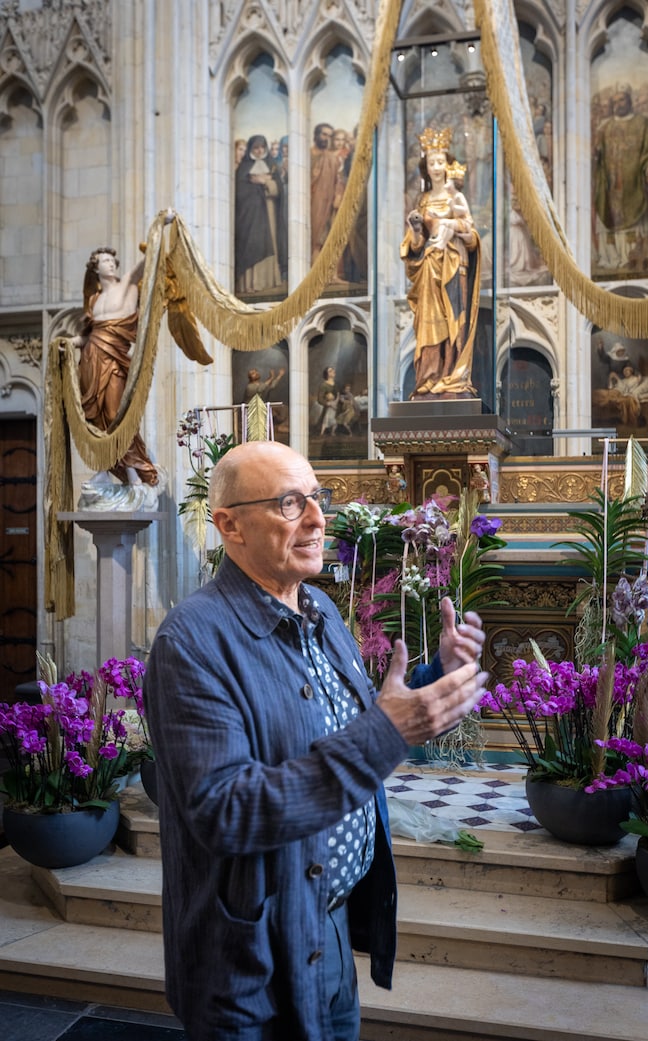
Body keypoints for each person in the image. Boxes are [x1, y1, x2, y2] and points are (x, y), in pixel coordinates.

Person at [143, 440, 487, 1041]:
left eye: (317, 499)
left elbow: (350, 727)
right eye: (289, 502)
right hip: (251, 949)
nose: (318, 518)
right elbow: (227, 810)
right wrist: (388, 732)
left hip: (328, 927)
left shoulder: (321, 610)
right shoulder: (192, 642)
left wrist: (434, 679)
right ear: (229, 525)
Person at [401, 128, 482, 400]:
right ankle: (428, 378)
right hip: (429, 268)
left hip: (452, 266)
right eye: (432, 162)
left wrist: (451, 225)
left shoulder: (457, 198)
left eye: (440, 162)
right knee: (428, 324)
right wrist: (414, 230)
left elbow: (471, 236)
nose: (436, 167)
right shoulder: (422, 201)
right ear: (426, 167)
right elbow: (414, 246)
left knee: (451, 322)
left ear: (447, 165)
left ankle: (451, 378)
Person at [72, 246, 159, 489]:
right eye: (105, 261)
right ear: (95, 268)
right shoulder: (94, 300)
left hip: (115, 361)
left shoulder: (128, 286)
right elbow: (86, 336)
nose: (111, 264)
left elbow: (143, 265)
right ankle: (103, 469)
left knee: (116, 415)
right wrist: (70, 342)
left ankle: (132, 471)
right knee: (97, 419)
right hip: (91, 359)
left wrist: (161, 230)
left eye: (112, 260)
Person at [593, 85, 648, 273]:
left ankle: (632, 258)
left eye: (621, 100)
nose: (618, 105)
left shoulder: (642, 123)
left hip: (633, 185)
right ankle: (612, 258)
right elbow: (597, 155)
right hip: (611, 186)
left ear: (629, 101)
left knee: (635, 218)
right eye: (614, 102)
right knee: (610, 218)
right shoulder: (605, 126)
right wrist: (596, 153)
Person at [235, 134, 287, 293]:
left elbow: (278, 190)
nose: (259, 151)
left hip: (269, 212)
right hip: (249, 215)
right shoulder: (244, 168)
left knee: (269, 241)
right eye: (255, 148)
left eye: (261, 148)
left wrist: (267, 183)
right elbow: (238, 192)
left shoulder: (271, 165)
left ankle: (267, 282)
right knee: (252, 242)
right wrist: (252, 182)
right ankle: (250, 283)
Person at [310, 122, 344, 263]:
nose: (326, 138)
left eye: (330, 136)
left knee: (325, 238)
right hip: (312, 204)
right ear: (316, 135)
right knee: (313, 238)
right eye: (324, 134)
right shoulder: (307, 156)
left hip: (328, 204)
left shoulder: (332, 159)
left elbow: (338, 180)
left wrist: (338, 195)